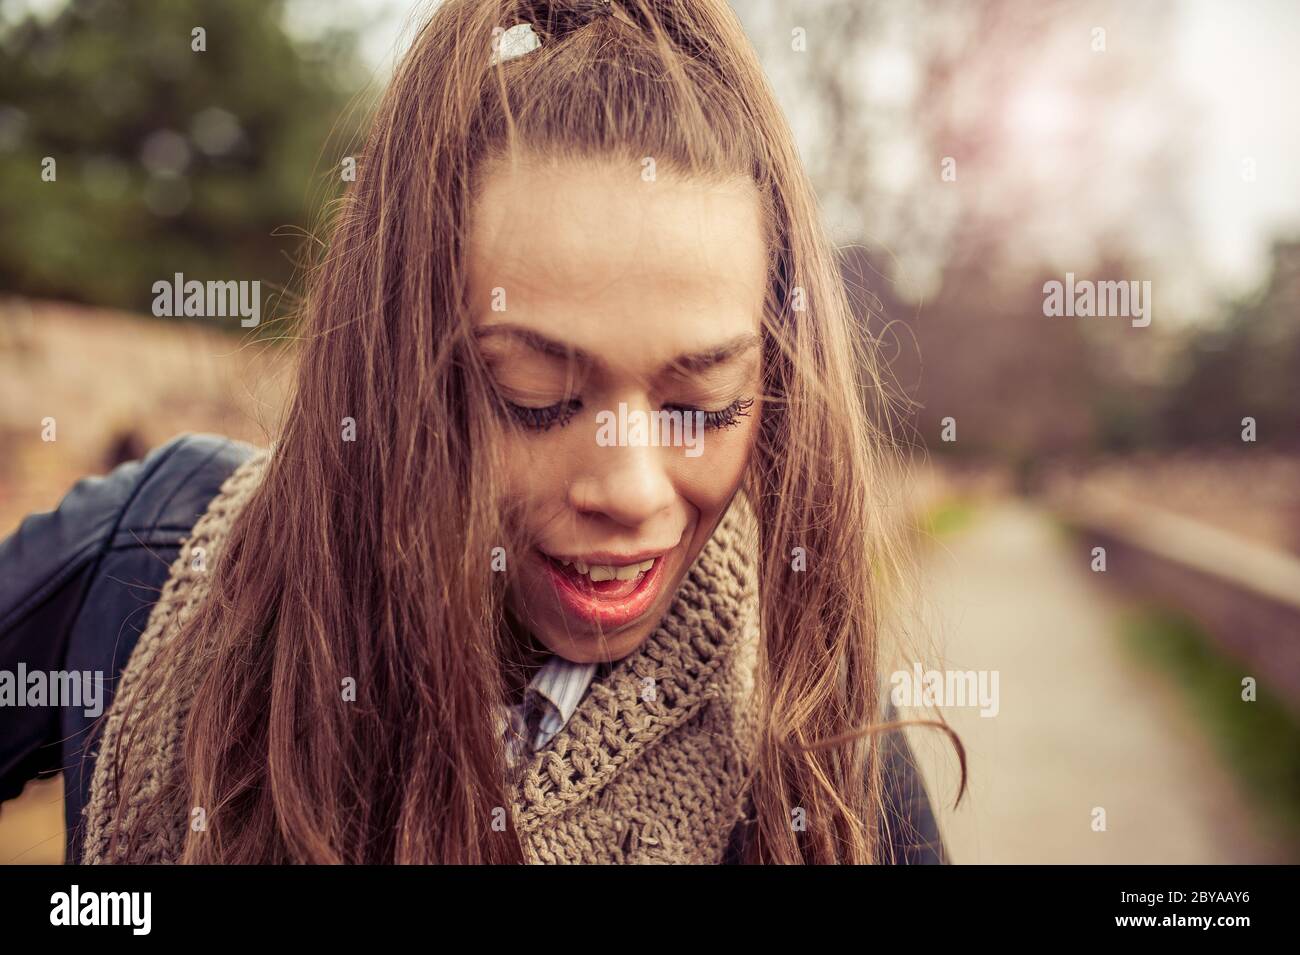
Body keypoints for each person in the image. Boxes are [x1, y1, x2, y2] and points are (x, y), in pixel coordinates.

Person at [0, 0, 954, 864]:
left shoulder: (821, 745)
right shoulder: (144, 559)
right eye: (531, 394)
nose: (628, 490)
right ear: (394, 364)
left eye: (703, 404)